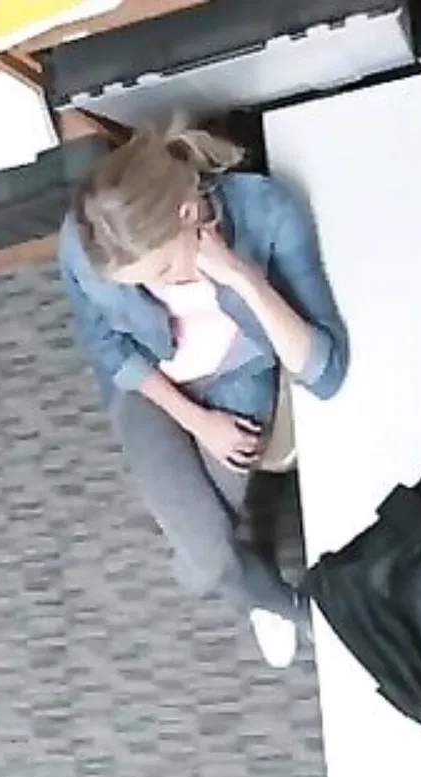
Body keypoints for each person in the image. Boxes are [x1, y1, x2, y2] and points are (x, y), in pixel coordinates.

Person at [58, 122, 350, 668]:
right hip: (151, 386)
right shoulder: (83, 244)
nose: (155, 289)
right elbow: (108, 347)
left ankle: (254, 585)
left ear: (188, 214)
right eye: (137, 284)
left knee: (200, 564)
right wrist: (196, 421)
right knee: (207, 562)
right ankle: (291, 605)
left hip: (235, 376)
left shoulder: (267, 213)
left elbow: (326, 372)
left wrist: (242, 279)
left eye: (164, 270)